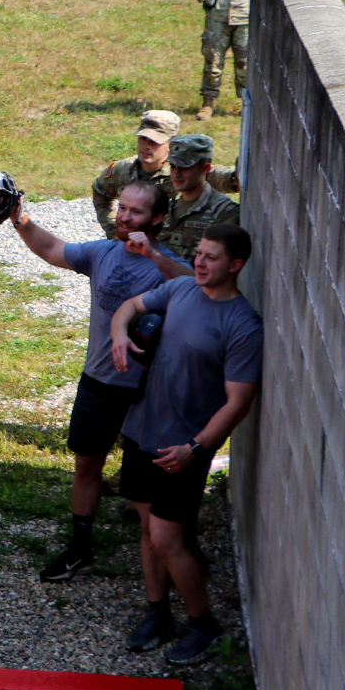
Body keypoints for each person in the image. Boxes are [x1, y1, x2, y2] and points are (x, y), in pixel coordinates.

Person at [11, 182, 189, 583]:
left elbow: (195, 287)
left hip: (147, 394)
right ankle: (80, 550)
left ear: (157, 219)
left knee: (144, 490)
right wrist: (21, 220)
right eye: (122, 209)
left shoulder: (166, 264)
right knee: (87, 466)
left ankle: (163, 559)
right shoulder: (103, 252)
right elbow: (52, 249)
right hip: (98, 382)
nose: (125, 218)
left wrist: (154, 255)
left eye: (136, 212)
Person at [111, 223, 263, 664]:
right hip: (143, 430)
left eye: (211, 257)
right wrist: (120, 333)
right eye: (199, 253)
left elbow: (238, 404)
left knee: (166, 536)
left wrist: (195, 450)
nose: (200, 261)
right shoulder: (180, 291)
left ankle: (204, 624)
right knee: (147, 528)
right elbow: (130, 306)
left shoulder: (244, 325)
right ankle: (158, 613)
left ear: (235, 266)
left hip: (183, 449)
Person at [92, 110, 238, 239]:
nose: (147, 146)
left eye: (155, 141)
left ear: (171, 143)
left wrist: (233, 177)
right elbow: (100, 191)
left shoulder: (179, 171)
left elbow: (213, 174)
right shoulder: (123, 169)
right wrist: (113, 230)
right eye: (143, 138)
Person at [158, 135, 241, 264]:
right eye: (173, 167)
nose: (176, 174)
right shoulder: (166, 206)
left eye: (184, 168)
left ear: (205, 169)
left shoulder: (224, 213)